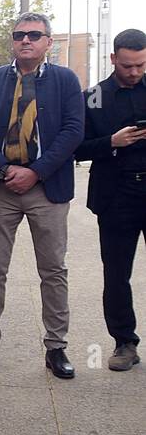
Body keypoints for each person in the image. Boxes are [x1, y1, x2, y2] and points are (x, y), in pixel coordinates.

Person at [0, 12, 85, 379]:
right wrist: (3, 170)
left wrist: (36, 171)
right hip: (0, 188)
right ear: (12, 41)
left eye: (35, 35)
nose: (26, 41)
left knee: (53, 269)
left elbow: (73, 131)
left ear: (48, 42)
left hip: (47, 189)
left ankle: (56, 348)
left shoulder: (65, 80)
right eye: (19, 35)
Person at [75, 27, 146, 372]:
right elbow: (76, 146)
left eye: (141, 65)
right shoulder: (93, 97)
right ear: (114, 58)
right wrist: (111, 142)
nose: (134, 72)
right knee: (116, 274)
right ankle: (124, 342)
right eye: (128, 65)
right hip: (116, 196)